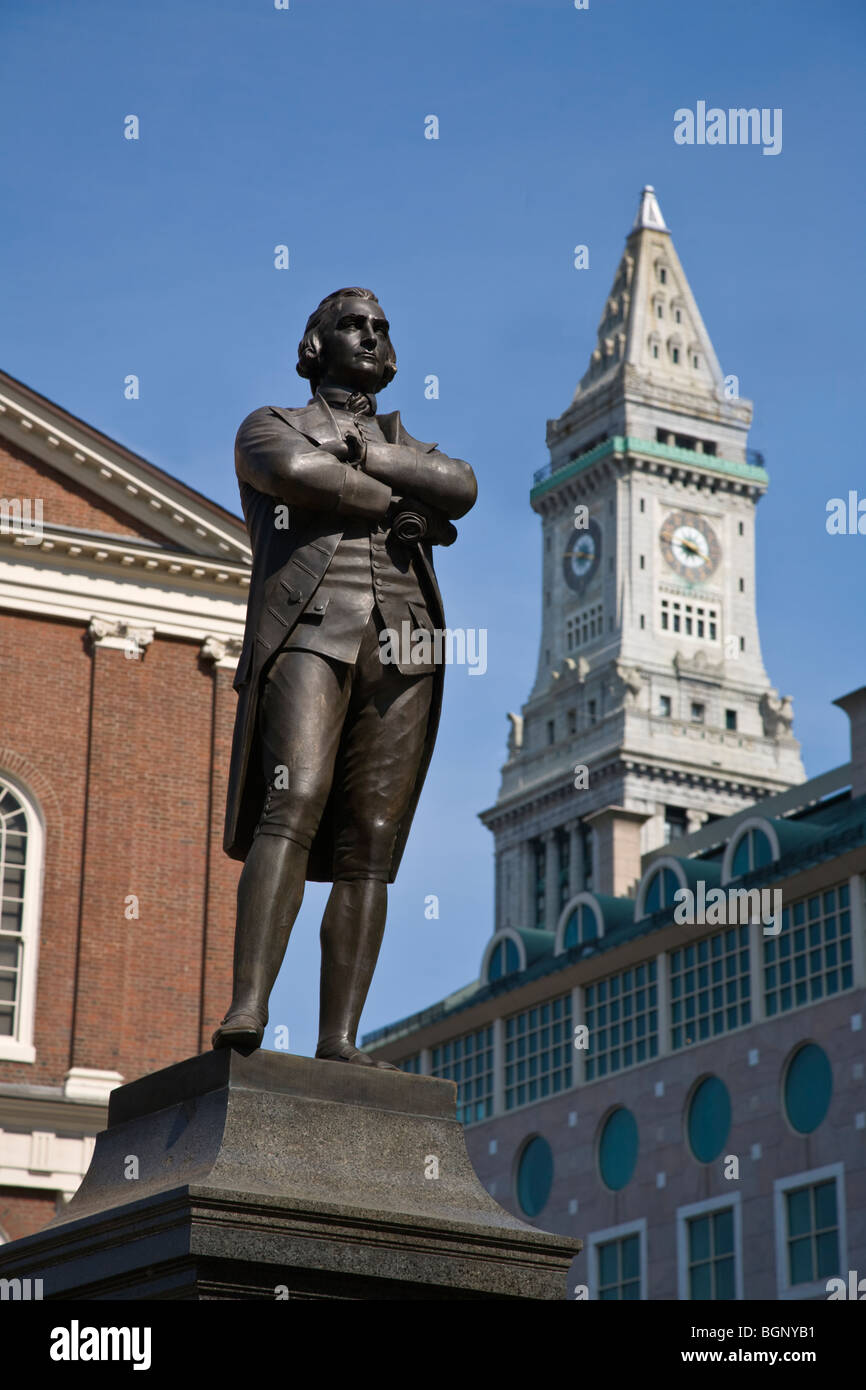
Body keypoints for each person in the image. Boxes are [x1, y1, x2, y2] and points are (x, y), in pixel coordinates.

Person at [214, 287, 477, 1066]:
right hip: (311, 630)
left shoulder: (414, 445)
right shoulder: (271, 426)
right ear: (315, 343)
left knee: (373, 838)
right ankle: (248, 1006)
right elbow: (299, 473)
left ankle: (339, 1040)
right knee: (290, 800)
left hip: (406, 647)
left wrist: (370, 454)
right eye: (351, 325)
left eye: (380, 328)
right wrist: (400, 497)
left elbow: (461, 488)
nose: (368, 336)